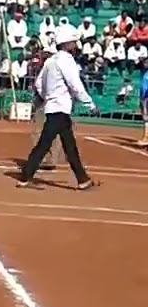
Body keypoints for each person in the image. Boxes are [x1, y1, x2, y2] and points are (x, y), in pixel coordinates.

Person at [17, 27, 98, 190]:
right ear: (67, 44)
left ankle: (83, 179)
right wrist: (90, 104)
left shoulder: (50, 61)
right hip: (60, 108)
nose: (76, 46)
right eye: (74, 42)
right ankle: (26, 176)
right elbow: (76, 85)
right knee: (45, 144)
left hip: (54, 108)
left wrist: (49, 97)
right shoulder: (66, 61)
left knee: (69, 145)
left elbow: (39, 84)